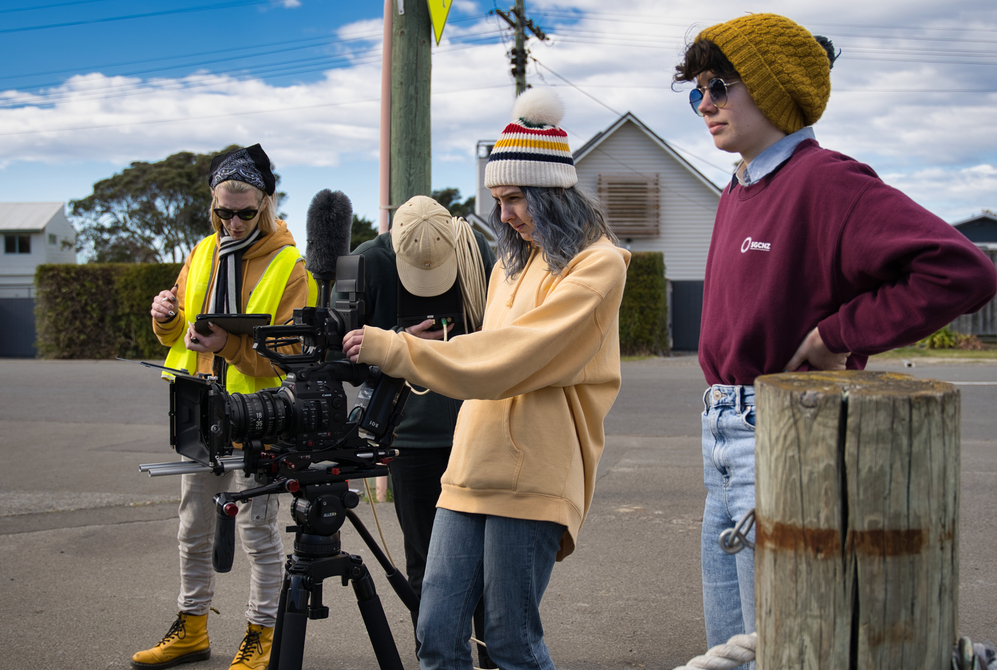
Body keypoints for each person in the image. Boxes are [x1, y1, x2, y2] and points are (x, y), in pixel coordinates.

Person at [672, 13, 997, 656]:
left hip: (785, 432)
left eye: (720, 86)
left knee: (786, 647)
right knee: (732, 651)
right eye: (696, 91)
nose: (704, 104)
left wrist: (837, 334)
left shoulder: (826, 181)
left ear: (772, 88)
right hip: (722, 434)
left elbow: (962, 268)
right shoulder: (735, 189)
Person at [342, 87, 630, 670]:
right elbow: (483, 351)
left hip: (535, 473)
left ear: (554, 193)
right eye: (498, 199)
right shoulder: (510, 264)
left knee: (510, 643)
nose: (504, 215)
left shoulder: (597, 266)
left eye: (516, 198)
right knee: (437, 637)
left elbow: (509, 359)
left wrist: (394, 350)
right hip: (469, 467)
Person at [136, 144, 314, 670]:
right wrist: (165, 316)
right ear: (211, 204)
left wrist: (229, 348)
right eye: (223, 211)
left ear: (267, 203)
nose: (232, 222)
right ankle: (191, 628)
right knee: (192, 527)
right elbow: (178, 328)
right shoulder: (201, 251)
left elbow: (294, 355)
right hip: (200, 411)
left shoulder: (290, 265)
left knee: (258, 531)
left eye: (245, 212)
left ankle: (261, 634)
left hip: (261, 417)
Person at [351, 194, 496, 663]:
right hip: (410, 441)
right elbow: (341, 354)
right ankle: (438, 657)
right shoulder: (367, 264)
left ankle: (494, 656)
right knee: (428, 566)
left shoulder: (479, 254)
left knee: (491, 567)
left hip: (479, 431)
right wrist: (398, 346)